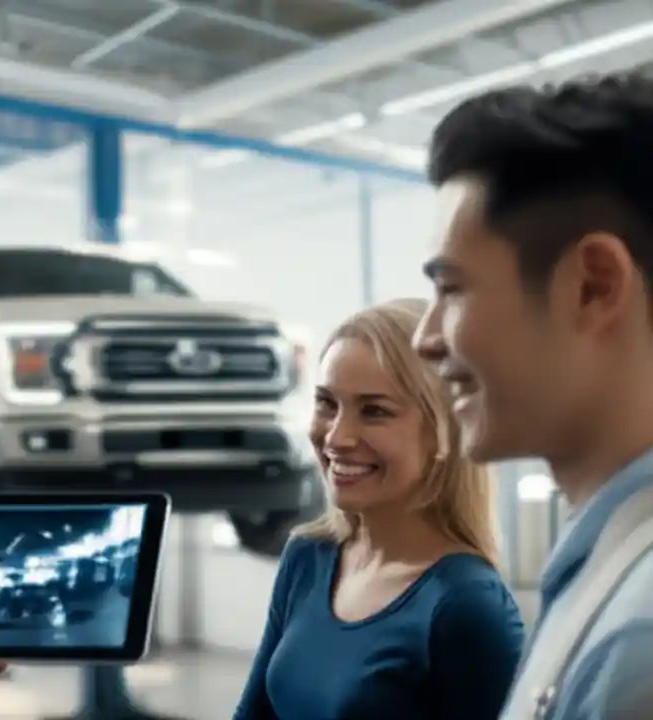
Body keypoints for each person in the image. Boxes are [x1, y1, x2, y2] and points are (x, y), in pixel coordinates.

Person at [415, 72, 653, 719]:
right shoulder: (610, 564)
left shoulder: (637, 646)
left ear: (593, 286)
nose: (424, 339)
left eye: (452, 289)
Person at [233, 299, 524, 720]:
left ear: (443, 433)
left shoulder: (466, 605)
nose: (337, 437)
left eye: (374, 411)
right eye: (327, 404)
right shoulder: (308, 557)